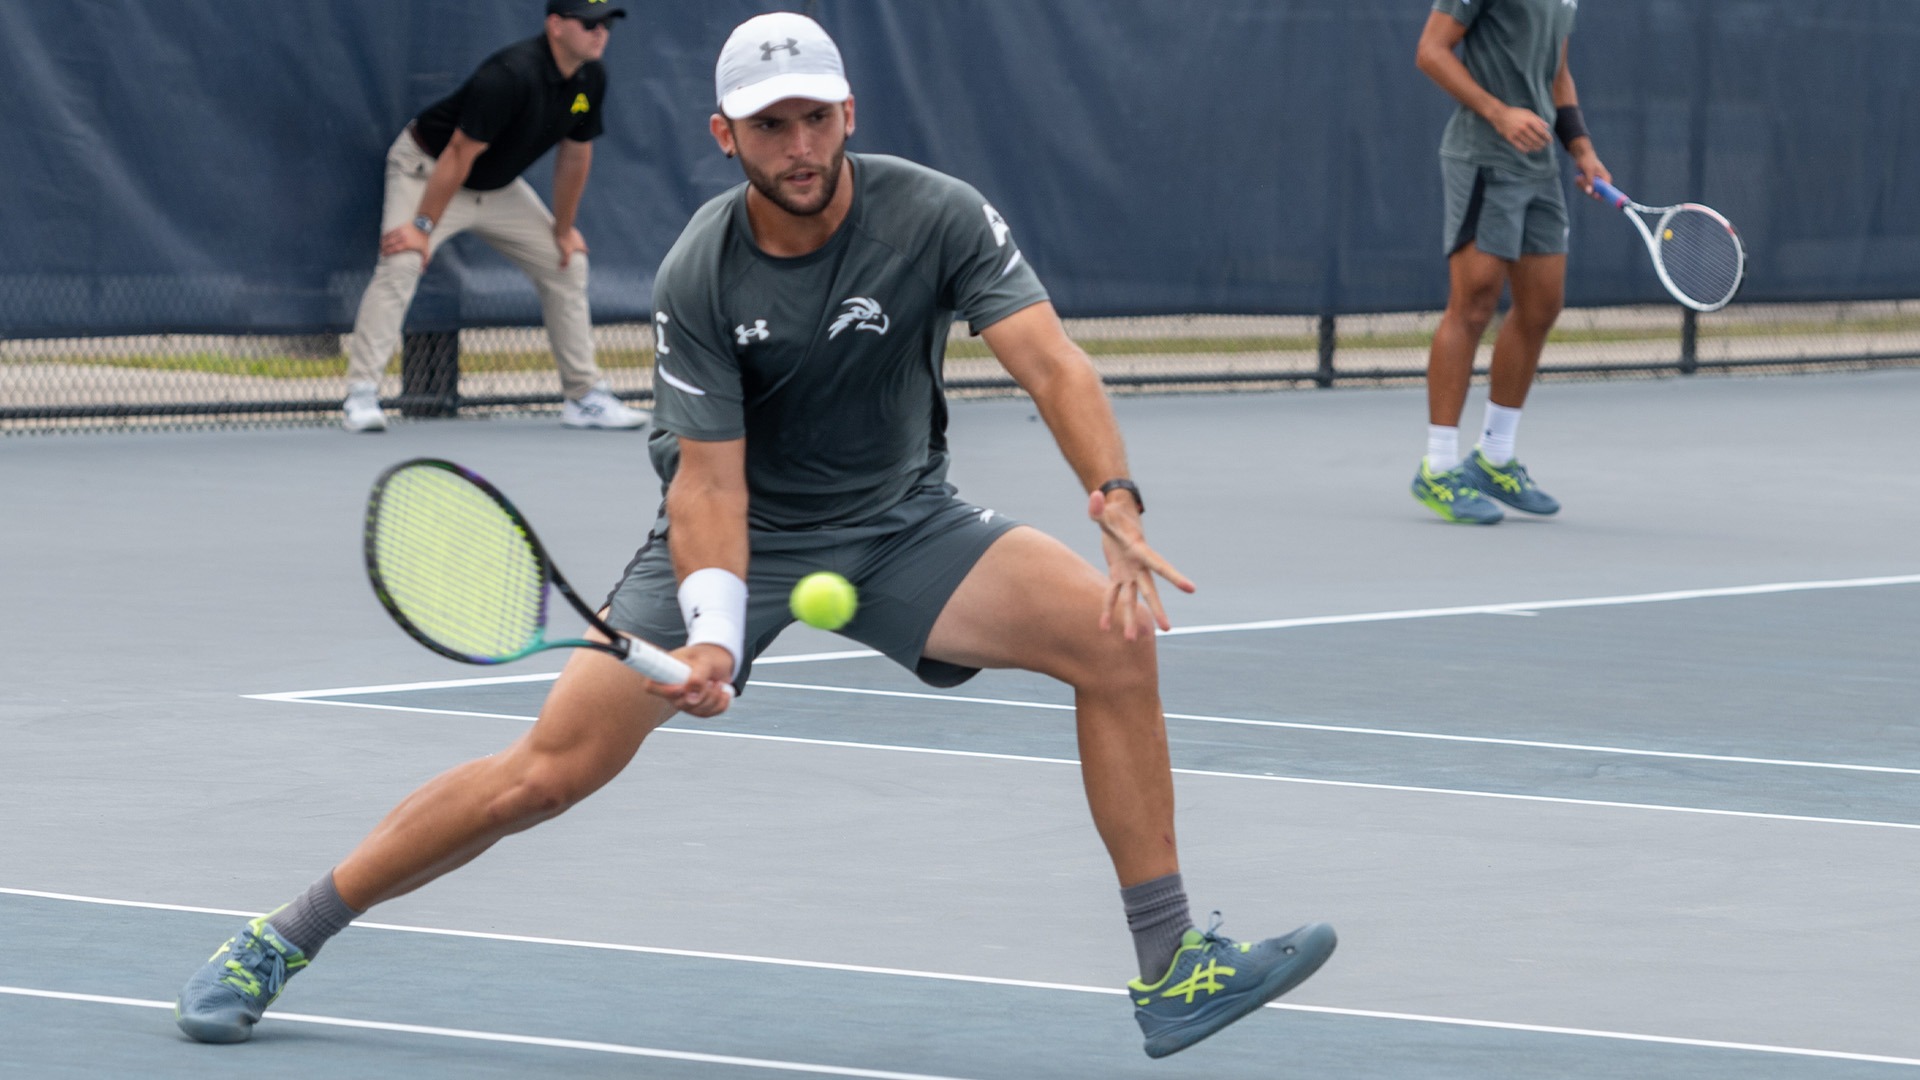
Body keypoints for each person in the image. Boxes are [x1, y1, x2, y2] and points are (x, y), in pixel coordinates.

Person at [175, 12, 1334, 1060]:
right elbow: (710, 486)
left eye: (815, 118)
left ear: (849, 115)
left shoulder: (936, 213)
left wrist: (1115, 502)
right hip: (744, 532)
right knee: (539, 780)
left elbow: (1052, 361)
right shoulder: (701, 269)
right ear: (724, 135)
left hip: (904, 524)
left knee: (1113, 637)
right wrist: (714, 634)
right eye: (769, 125)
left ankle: (1172, 968)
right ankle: (284, 936)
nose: (799, 146)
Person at [338, 0, 648, 433]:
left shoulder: (590, 79)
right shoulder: (509, 75)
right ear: (556, 26)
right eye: (590, 24)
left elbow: (575, 154)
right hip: (427, 170)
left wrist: (562, 230)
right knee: (402, 260)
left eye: (607, 25)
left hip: (495, 188)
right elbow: (457, 153)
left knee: (567, 263)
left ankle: (584, 398)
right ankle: (361, 395)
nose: (601, 33)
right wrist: (422, 227)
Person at [1411, 0, 1610, 523]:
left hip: (1539, 168)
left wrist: (1581, 147)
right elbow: (1431, 51)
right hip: (1483, 158)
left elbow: (1556, 73)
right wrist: (1499, 113)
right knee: (1473, 305)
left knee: (1542, 305)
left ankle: (1494, 458)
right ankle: (1438, 467)